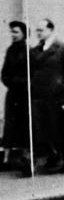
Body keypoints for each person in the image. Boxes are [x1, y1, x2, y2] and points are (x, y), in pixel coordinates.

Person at [30, 18, 64, 173]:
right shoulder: (36, 50)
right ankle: (53, 156)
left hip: (59, 97)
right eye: (37, 30)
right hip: (41, 97)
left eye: (41, 30)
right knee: (46, 129)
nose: (38, 33)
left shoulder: (63, 48)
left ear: (51, 30)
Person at [1, 21, 31, 175]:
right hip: (12, 93)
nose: (13, 35)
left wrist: (19, 82)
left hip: (24, 94)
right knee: (9, 124)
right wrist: (10, 81)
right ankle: (6, 158)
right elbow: (4, 73)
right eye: (12, 32)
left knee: (23, 123)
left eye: (16, 32)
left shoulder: (27, 50)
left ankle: (24, 157)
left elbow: (30, 73)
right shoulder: (10, 50)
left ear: (24, 34)